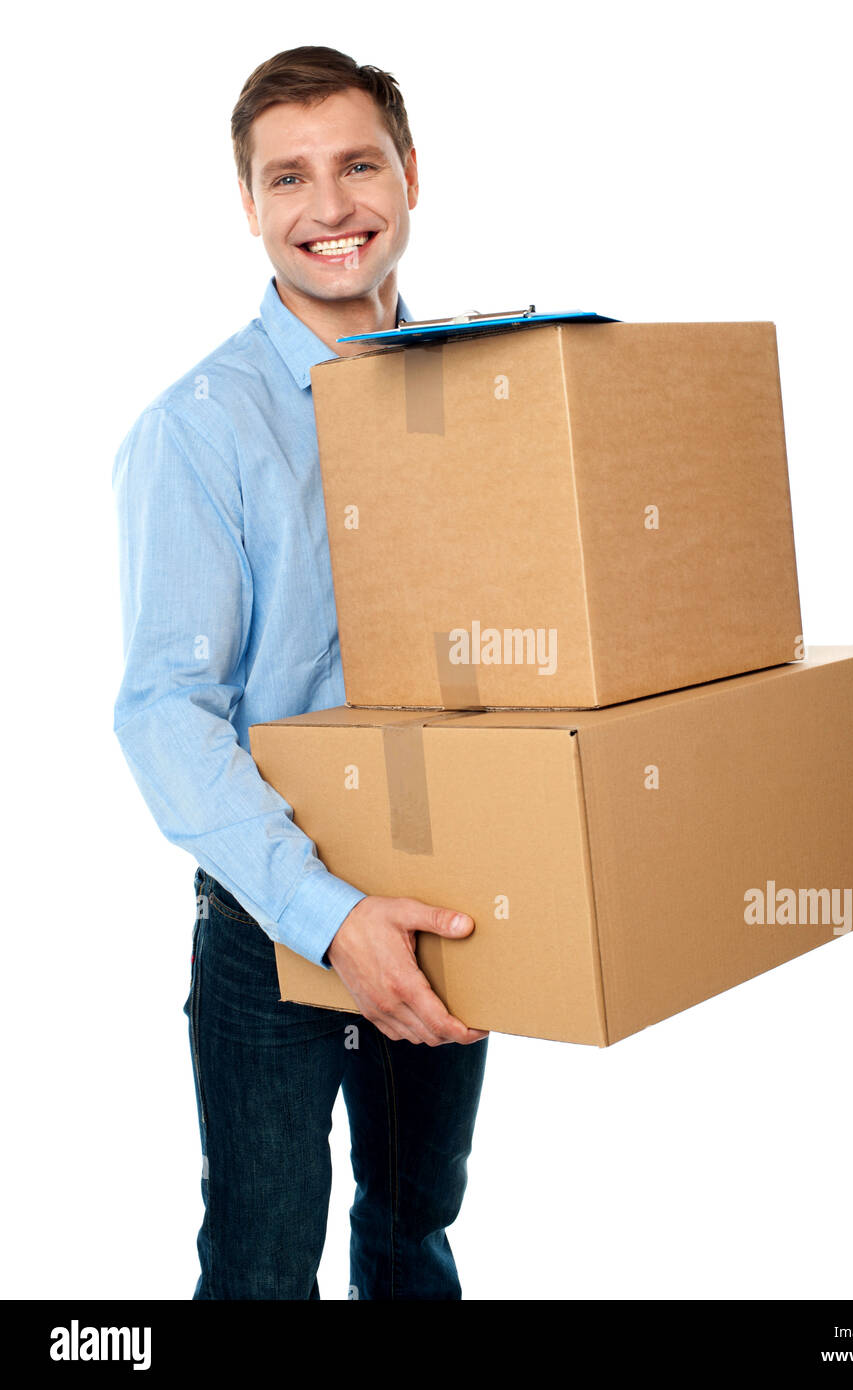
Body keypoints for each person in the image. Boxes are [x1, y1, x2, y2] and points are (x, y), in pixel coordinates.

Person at [112, 45, 490, 1302]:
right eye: (289, 178)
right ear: (251, 205)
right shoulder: (199, 427)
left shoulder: (477, 399)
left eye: (356, 165)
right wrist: (330, 915)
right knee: (266, 1263)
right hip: (277, 923)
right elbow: (168, 712)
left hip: (447, 901)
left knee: (414, 1226)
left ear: (410, 175)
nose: (328, 209)